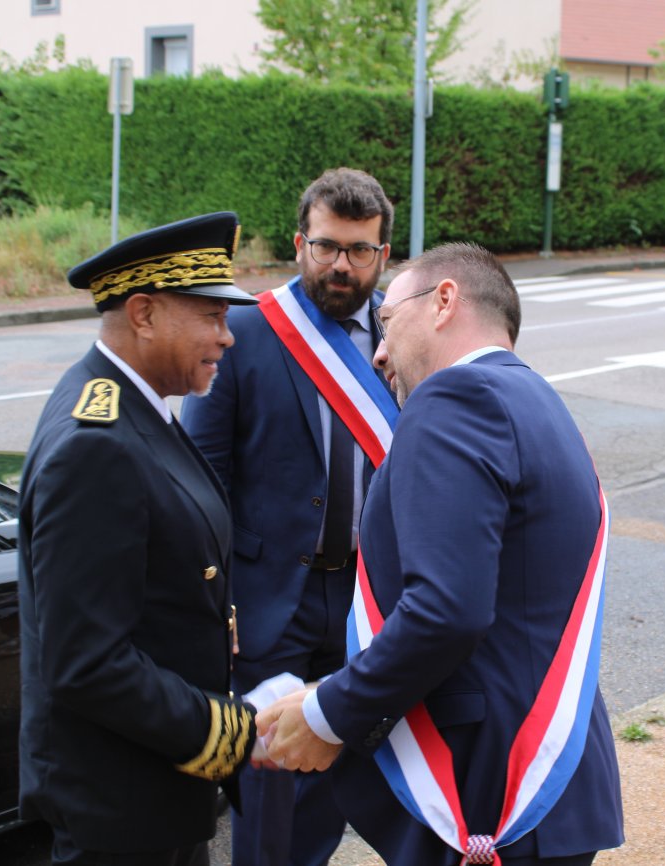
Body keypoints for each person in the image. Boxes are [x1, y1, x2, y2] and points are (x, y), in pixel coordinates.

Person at [255, 243, 625, 866]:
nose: (376, 353)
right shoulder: (535, 400)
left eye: (387, 321)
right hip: (543, 767)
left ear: (445, 301)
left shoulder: (454, 400)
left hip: (484, 781)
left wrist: (329, 715)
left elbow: (447, 610)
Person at [17, 212, 260, 865]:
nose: (227, 338)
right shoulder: (98, 444)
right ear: (144, 314)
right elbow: (86, 662)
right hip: (120, 812)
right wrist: (232, 733)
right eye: (211, 316)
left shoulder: (134, 405)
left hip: (154, 792)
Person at [179, 168, 398, 866]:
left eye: (359, 250)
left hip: (365, 595)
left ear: (382, 255)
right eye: (327, 246)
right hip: (268, 596)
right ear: (300, 243)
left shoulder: (406, 334)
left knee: (336, 771)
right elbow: (200, 479)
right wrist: (220, 599)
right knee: (269, 784)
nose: (341, 265)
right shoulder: (246, 332)